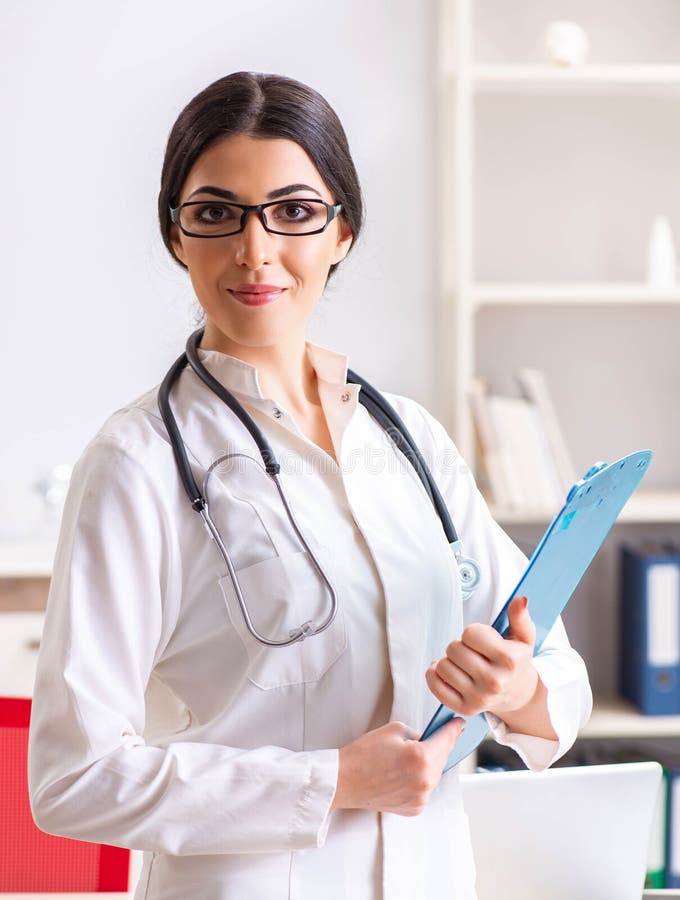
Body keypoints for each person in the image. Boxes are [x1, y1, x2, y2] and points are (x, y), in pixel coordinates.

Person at [27, 71, 592, 900]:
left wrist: (516, 688)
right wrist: (331, 782)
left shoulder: (408, 440)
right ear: (176, 235)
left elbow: (552, 671)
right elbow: (72, 779)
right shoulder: (139, 461)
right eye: (217, 213)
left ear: (343, 232)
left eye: (294, 212)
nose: (256, 251)